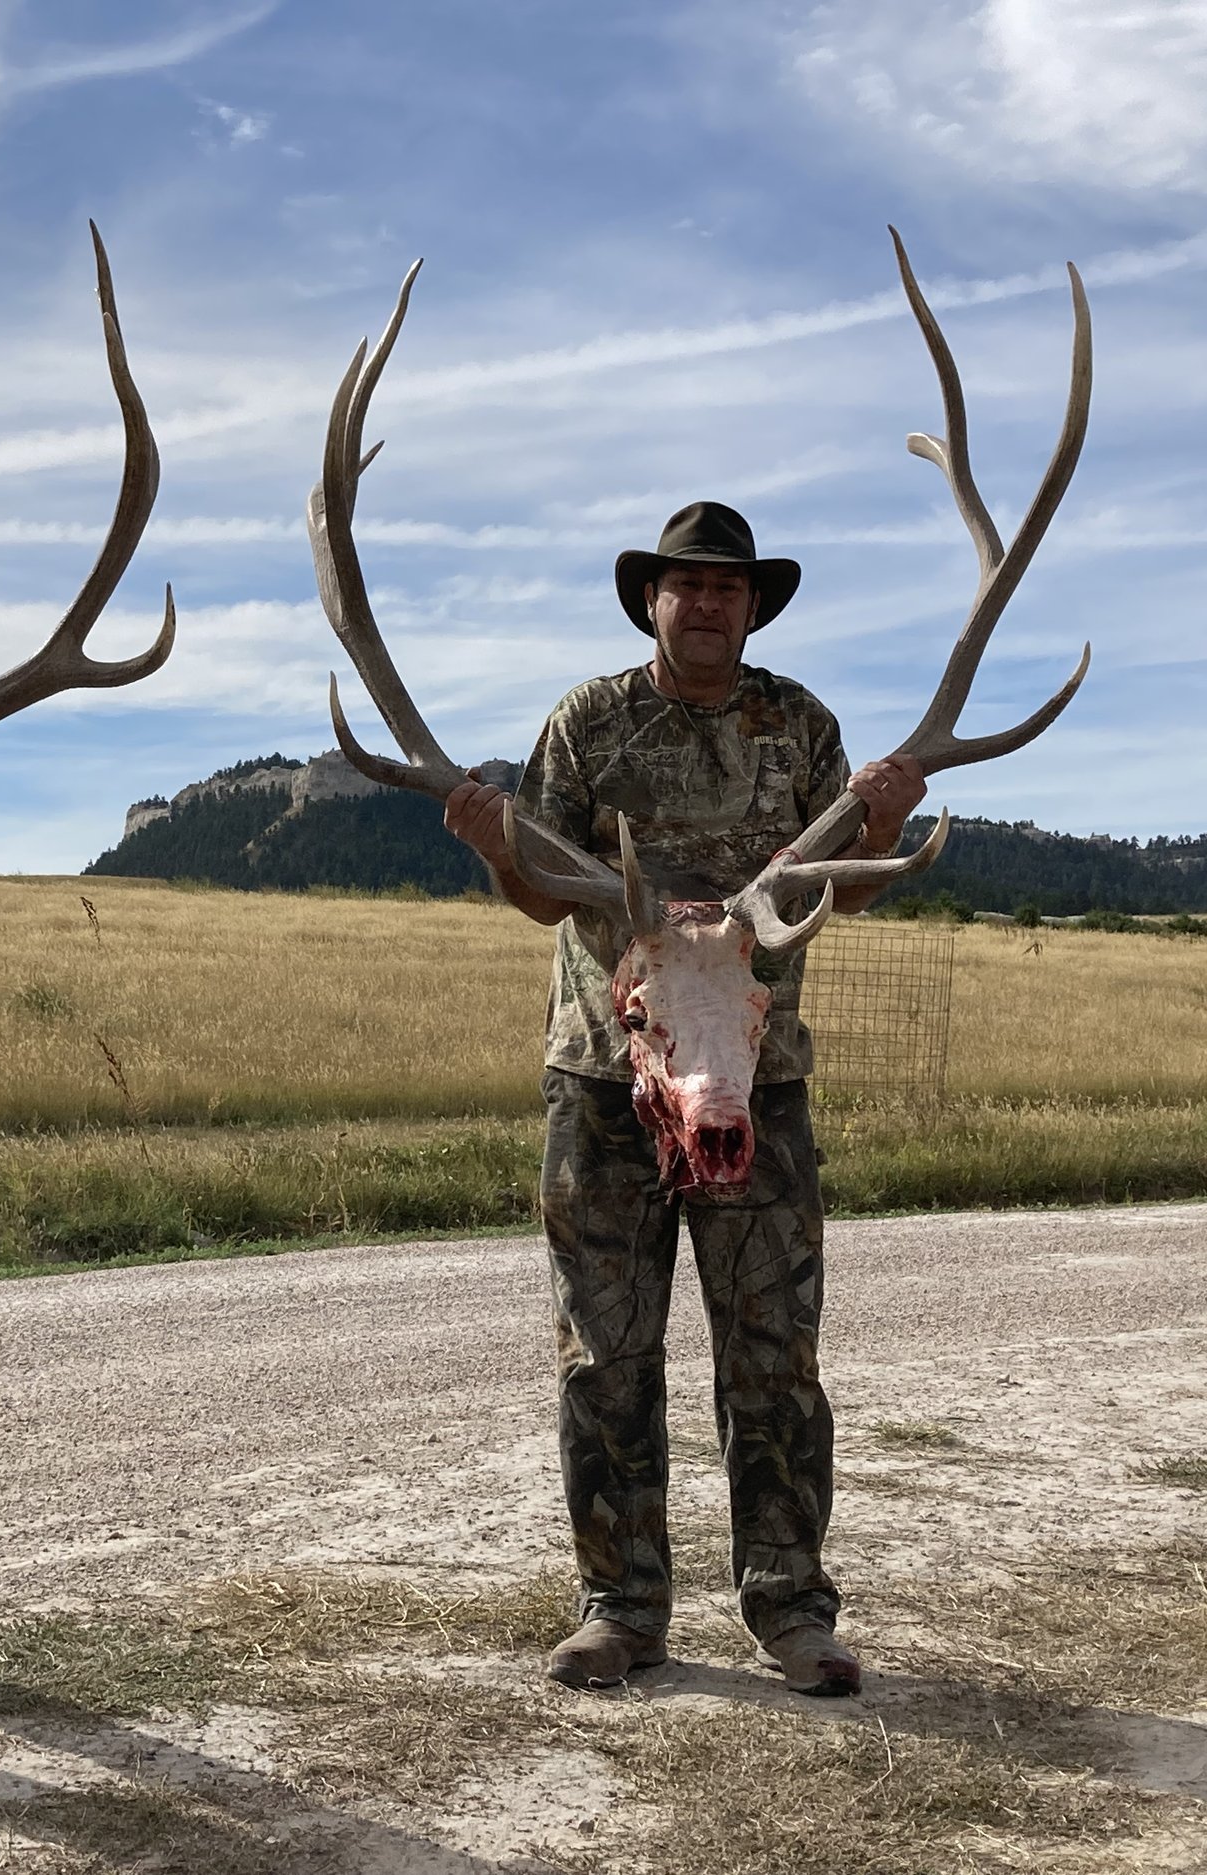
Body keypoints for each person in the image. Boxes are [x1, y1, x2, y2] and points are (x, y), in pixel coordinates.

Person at [442, 501, 925, 1696]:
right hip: (607, 1081)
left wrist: (885, 823)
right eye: (685, 584)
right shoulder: (588, 721)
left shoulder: (798, 723)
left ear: (751, 605)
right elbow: (543, 894)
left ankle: (791, 1609)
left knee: (774, 1353)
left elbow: (839, 893)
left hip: (759, 1080)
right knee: (604, 1352)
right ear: (650, 599)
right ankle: (621, 1606)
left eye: (728, 587)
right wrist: (495, 846)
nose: (707, 602)